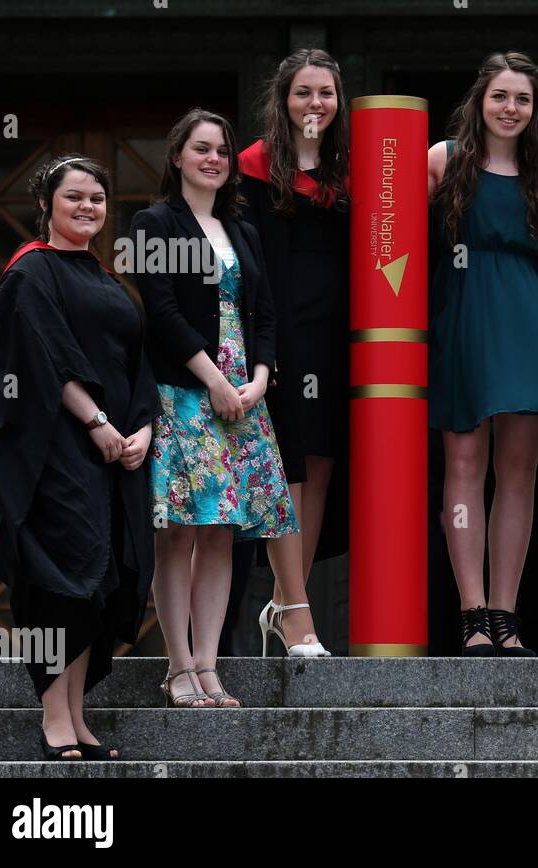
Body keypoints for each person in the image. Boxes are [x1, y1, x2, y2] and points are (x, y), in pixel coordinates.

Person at [0, 155, 159, 758]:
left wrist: (143, 430)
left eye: (98, 199)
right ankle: (54, 717)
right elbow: (40, 357)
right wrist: (97, 421)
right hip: (55, 454)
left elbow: (137, 365)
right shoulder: (31, 273)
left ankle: (78, 716)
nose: (88, 207)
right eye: (75, 197)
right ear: (47, 204)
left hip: (113, 456)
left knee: (100, 581)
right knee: (64, 579)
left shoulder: (107, 279)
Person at [132, 109, 298, 707]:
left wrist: (254, 382)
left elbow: (266, 317)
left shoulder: (242, 230)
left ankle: (208, 666)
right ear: (176, 156)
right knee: (178, 532)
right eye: (201, 149)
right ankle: (177, 667)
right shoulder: (153, 224)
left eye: (223, 152)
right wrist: (215, 383)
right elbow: (163, 314)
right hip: (184, 394)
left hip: (244, 399)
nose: (214, 160)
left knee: (225, 533)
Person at [427, 51, 538, 656]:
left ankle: (505, 614)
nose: (511, 108)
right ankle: (471, 616)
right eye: (500, 97)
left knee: (518, 473)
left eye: (523, 99)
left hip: (525, 320)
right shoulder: (443, 160)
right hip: (460, 316)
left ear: (534, 109)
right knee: (464, 465)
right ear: (479, 102)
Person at [239, 48, 350, 657]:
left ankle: (288, 605)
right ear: (283, 101)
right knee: (289, 469)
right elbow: (246, 266)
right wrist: (262, 342)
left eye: (326, 93)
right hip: (282, 334)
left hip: (336, 335)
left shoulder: (350, 173)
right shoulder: (254, 168)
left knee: (324, 462)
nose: (315, 104)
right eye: (304, 92)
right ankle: (295, 612)